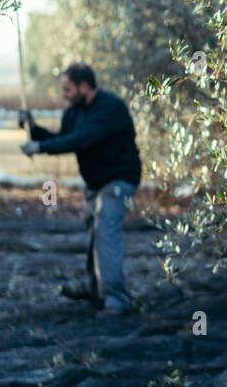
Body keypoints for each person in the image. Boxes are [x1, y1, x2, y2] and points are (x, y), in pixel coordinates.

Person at [19, 63, 143, 315]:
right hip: (96, 184)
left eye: (67, 88)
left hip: (119, 181)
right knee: (95, 233)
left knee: (105, 233)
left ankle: (117, 300)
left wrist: (41, 148)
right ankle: (94, 288)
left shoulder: (110, 108)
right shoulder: (74, 113)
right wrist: (32, 128)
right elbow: (62, 138)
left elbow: (81, 140)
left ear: (84, 86)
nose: (64, 93)